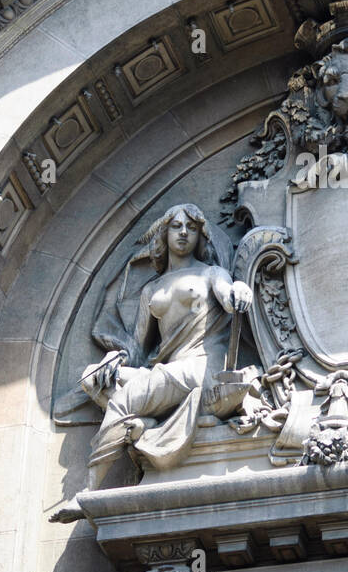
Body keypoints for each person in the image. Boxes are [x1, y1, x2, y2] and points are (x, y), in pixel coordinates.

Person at [50, 204, 252, 522]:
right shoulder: (152, 289)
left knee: (125, 398)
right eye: (176, 226)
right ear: (164, 234)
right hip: (169, 370)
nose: (184, 232)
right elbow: (139, 349)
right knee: (93, 377)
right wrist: (116, 358)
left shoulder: (212, 273)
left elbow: (227, 296)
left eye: (191, 227)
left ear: (201, 235)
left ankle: (88, 491)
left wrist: (238, 290)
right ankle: (147, 426)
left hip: (201, 367)